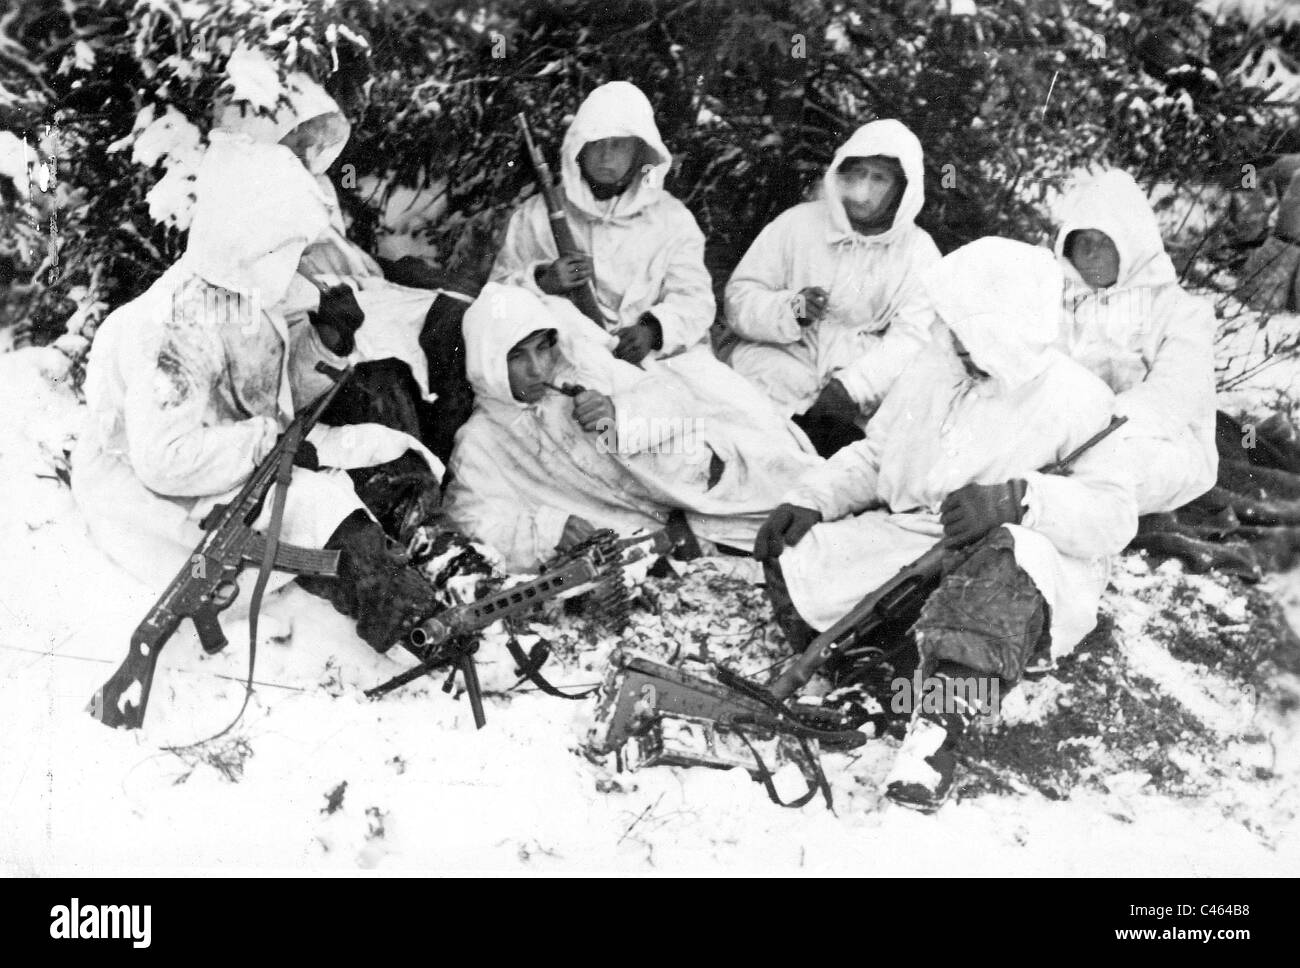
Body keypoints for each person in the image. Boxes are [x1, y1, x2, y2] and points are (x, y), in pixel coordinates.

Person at [754, 239, 1137, 810]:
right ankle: (886, 672)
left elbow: (1114, 516)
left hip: (1011, 567)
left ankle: (934, 738)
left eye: (967, 328)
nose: (953, 336)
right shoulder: (936, 364)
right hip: (912, 544)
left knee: (1004, 564)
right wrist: (815, 497)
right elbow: (878, 454)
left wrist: (1019, 500)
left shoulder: (1079, 400)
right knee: (795, 554)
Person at [72, 134, 448, 656]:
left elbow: (268, 397)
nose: (294, 260)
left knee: (381, 451)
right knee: (320, 508)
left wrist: (325, 343)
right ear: (250, 241)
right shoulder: (172, 326)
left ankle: (437, 560)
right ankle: (405, 614)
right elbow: (165, 461)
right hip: (165, 492)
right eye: (283, 247)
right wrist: (267, 446)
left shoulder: (248, 293)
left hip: (245, 457)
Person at [441, 284, 822, 573]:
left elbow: (677, 397)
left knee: (825, 506)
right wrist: (549, 531)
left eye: (541, 348)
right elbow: (471, 520)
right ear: (487, 363)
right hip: (671, 542)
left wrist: (618, 414)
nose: (538, 369)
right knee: (795, 567)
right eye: (517, 357)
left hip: (718, 478)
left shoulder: (579, 370)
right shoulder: (483, 441)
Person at [724, 119, 941, 456]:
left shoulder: (918, 253)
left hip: (856, 400)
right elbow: (740, 298)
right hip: (780, 369)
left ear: (902, 189)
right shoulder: (799, 224)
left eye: (879, 178)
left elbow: (914, 339)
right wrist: (789, 310)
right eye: (857, 173)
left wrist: (852, 388)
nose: (863, 188)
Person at [1054, 169, 1218, 514]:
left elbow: (1170, 400)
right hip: (1066, 435)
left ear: (1130, 243)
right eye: (1084, 242)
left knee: (1116, 473)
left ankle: (1045, 504)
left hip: (1154, 441)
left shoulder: (1182, 312)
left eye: (1104, 242)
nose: (1092, 254)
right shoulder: (1057, 301)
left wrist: (1089, 429)